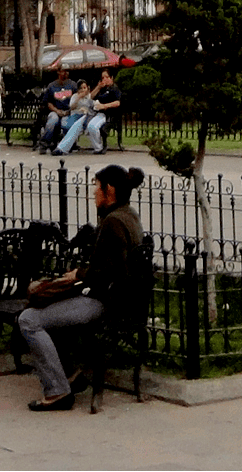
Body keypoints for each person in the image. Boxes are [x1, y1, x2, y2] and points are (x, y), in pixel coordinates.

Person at [18, 162, 147, 410]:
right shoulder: (129, 215)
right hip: (123, 302)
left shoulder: (113, 222)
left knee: (29, 319)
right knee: (50, 315)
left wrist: (77, 275)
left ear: (109, 190)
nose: (94, 194)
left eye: (96, 188)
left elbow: (109, 272)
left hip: (105, 304)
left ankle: (57, 392)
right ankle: (71, 375)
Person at [36, 66, 76, 152]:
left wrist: (69, 111)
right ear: (58, 72)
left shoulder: (73, 85)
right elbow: (48, 102)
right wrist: (57, 111)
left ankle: (67, 145)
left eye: (67, 71)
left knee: (66, 122)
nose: (65, 73)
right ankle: (44, 144)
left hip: (68, 112)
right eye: (63, 71)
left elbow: (77, 100)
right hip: (55, 110)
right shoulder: (52, 86)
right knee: (52, 121)